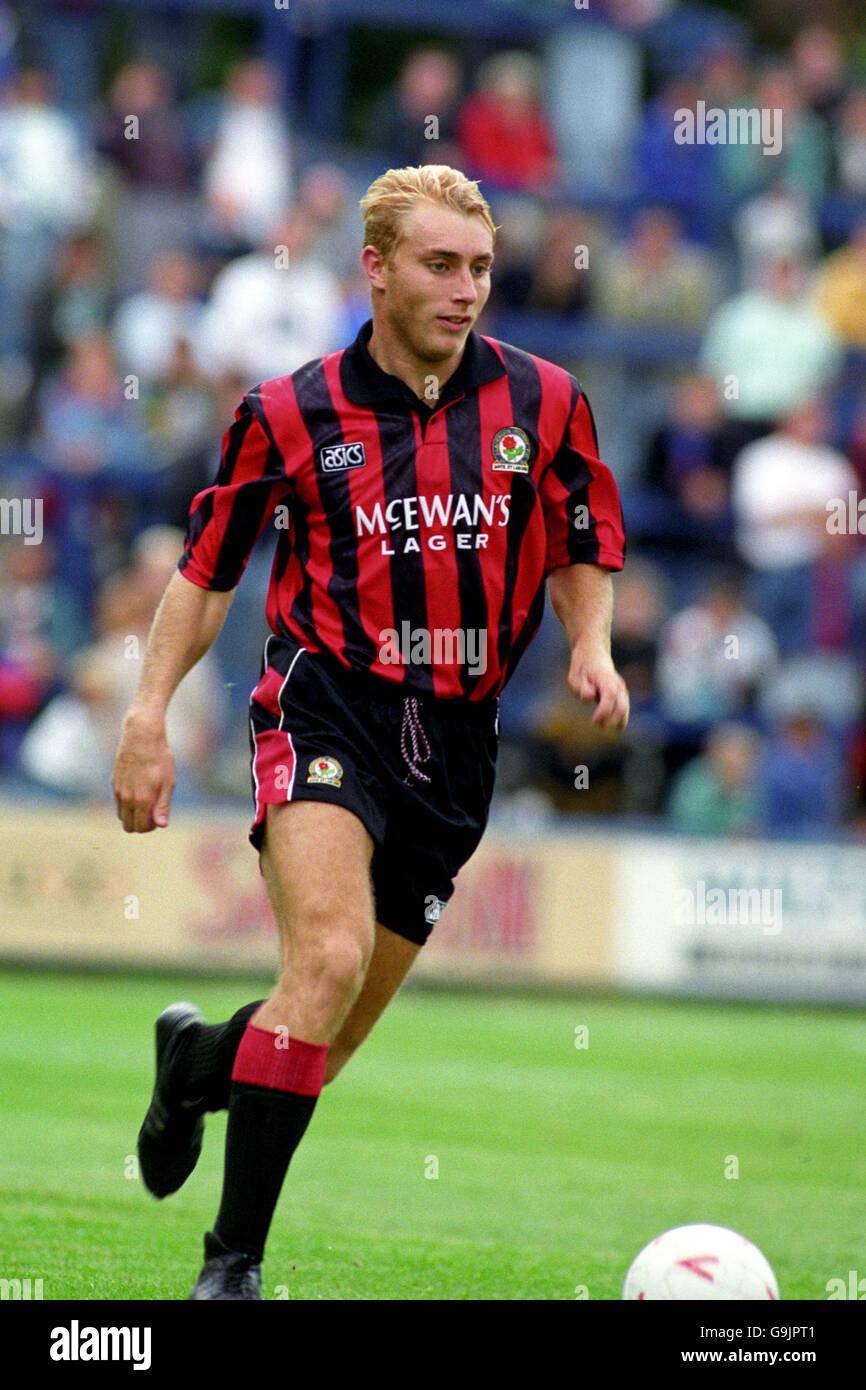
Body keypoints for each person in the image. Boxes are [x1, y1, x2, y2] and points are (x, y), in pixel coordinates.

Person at [111, 164, 629, 1300]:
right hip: (327, 698)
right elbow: (204, 577)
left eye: (481, 269)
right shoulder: (288, 412)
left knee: (327, 1038)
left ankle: (195, 1061)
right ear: (377, 269)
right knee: (327, 958)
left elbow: (581, 535)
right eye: (439, 266)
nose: (465, 291)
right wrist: (147, 716)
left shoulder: (545, 401)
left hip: (459, 738)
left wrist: (588, 645)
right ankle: (231, 1267)